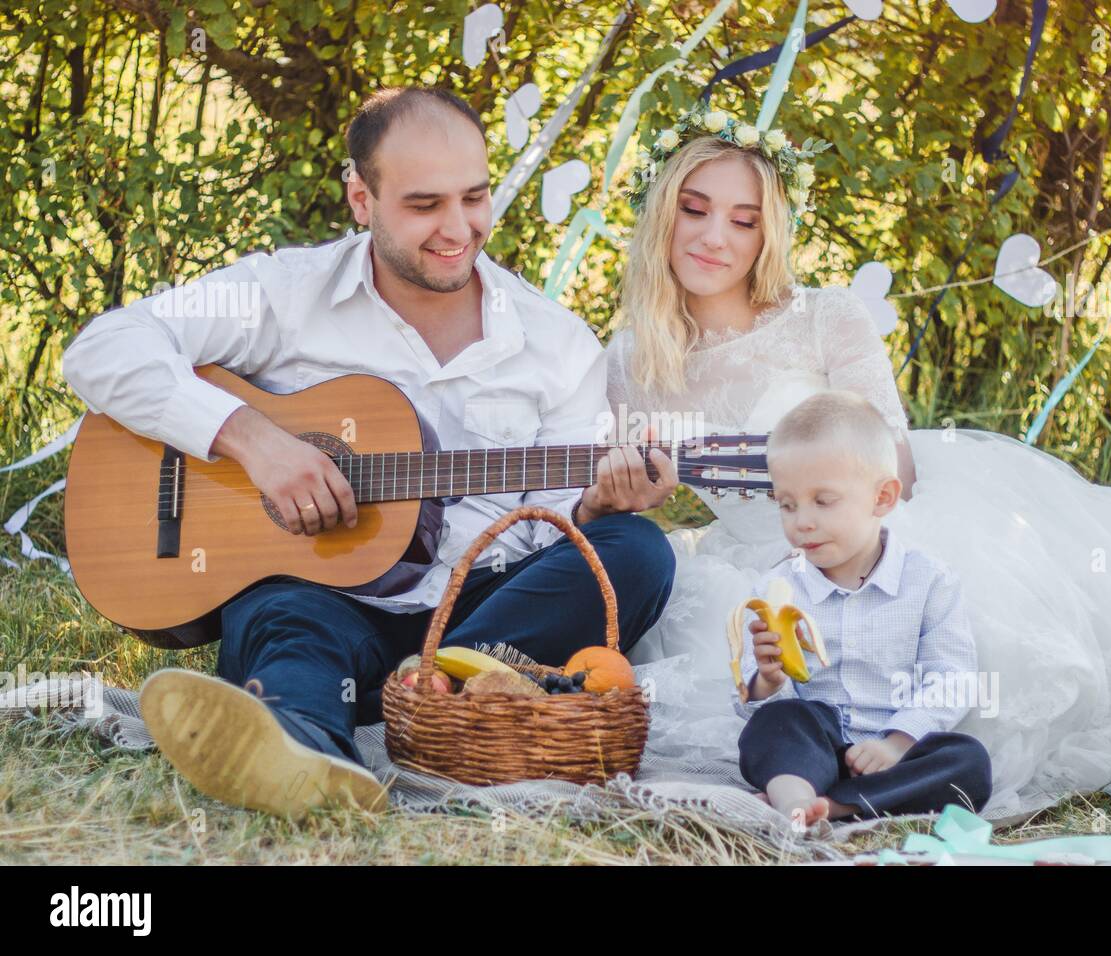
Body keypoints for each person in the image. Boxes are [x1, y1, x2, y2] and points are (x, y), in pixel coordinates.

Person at [607, 106, 1111, 820]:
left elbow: (895, 463)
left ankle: (865, 784)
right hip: (760, 559)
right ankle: (814, 786)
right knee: (729, 685)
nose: (714, 236)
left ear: (769, 234)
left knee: (998, 668)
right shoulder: (630, 360)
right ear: (665, 212)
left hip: (879, 525)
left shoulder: (823, 316)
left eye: (744, 220)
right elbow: (639, 492)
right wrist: (630, 494)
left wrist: (811, 486)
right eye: (695, 209)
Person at [60, 86, 678, 820]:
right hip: (323, 596)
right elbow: (103, 349)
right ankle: (308, 744)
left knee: (635, 549)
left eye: (474, 197)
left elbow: (548, 524)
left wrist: (593, 503)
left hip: (482, 613)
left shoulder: (556, 343)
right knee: (289, 619)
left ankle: (401, 697)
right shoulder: (284, 293)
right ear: (361, 198)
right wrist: (253, 441)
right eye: (424, 205)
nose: (458, 228)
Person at [734, 391, 992, 825]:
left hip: (897, 751)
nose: (802, 522)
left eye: (823, 500)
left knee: (969, 762)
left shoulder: (928, 581)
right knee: (775, 724)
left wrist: (897, 741)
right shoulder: (776, 588)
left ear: (883, 498)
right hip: (814, 745)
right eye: (787, 504)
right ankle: (795, 796)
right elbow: (750, 704)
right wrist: (767, 678)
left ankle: (837, 806)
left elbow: (952, 677)